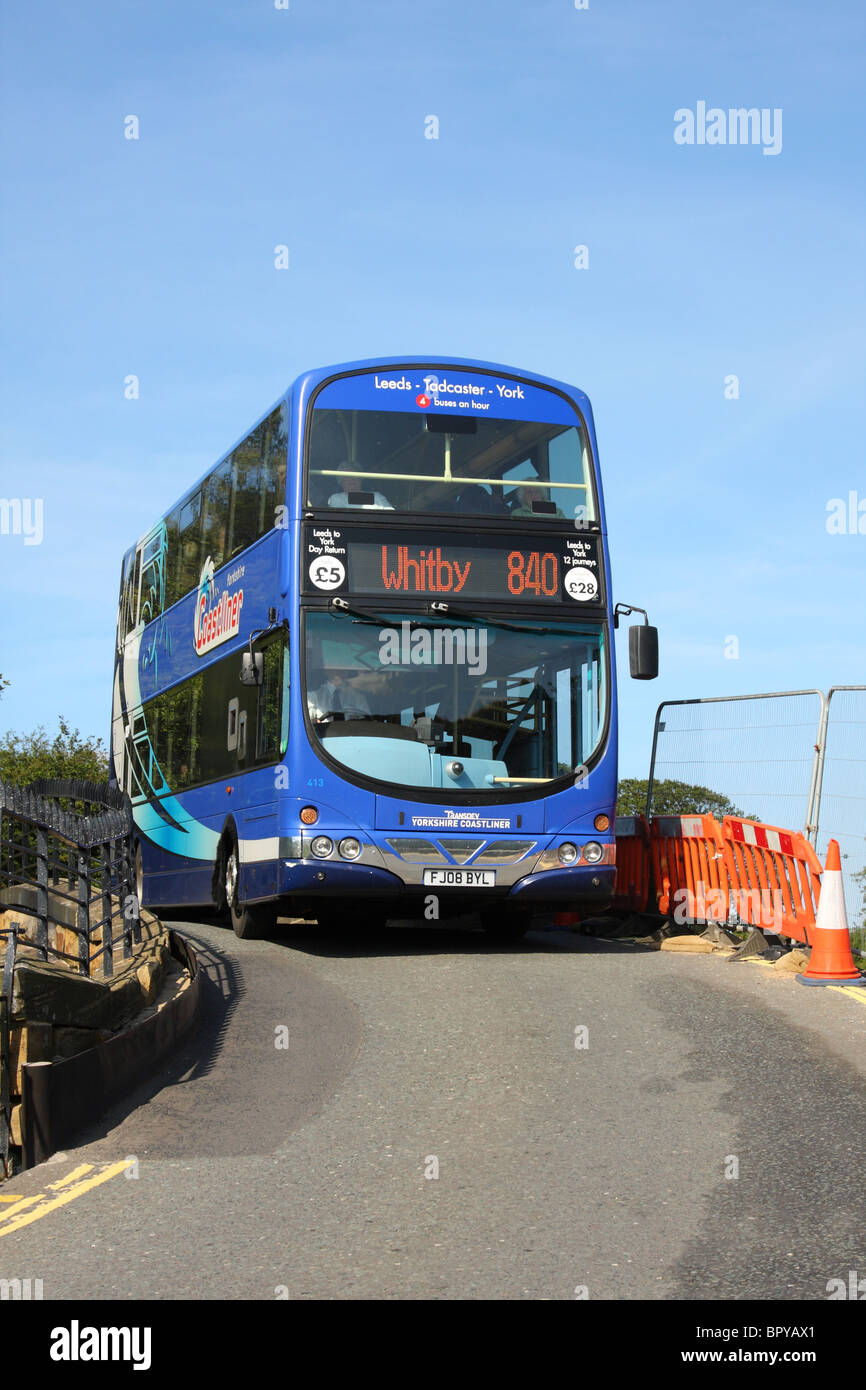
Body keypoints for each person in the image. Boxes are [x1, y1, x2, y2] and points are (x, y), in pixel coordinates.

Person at [327, 469, 393, 510]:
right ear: (341, 482)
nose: (351, 480)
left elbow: (392, 516)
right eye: (347, 477)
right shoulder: (336, 498)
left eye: (355, 476)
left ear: (360, 480)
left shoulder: (376, 496)